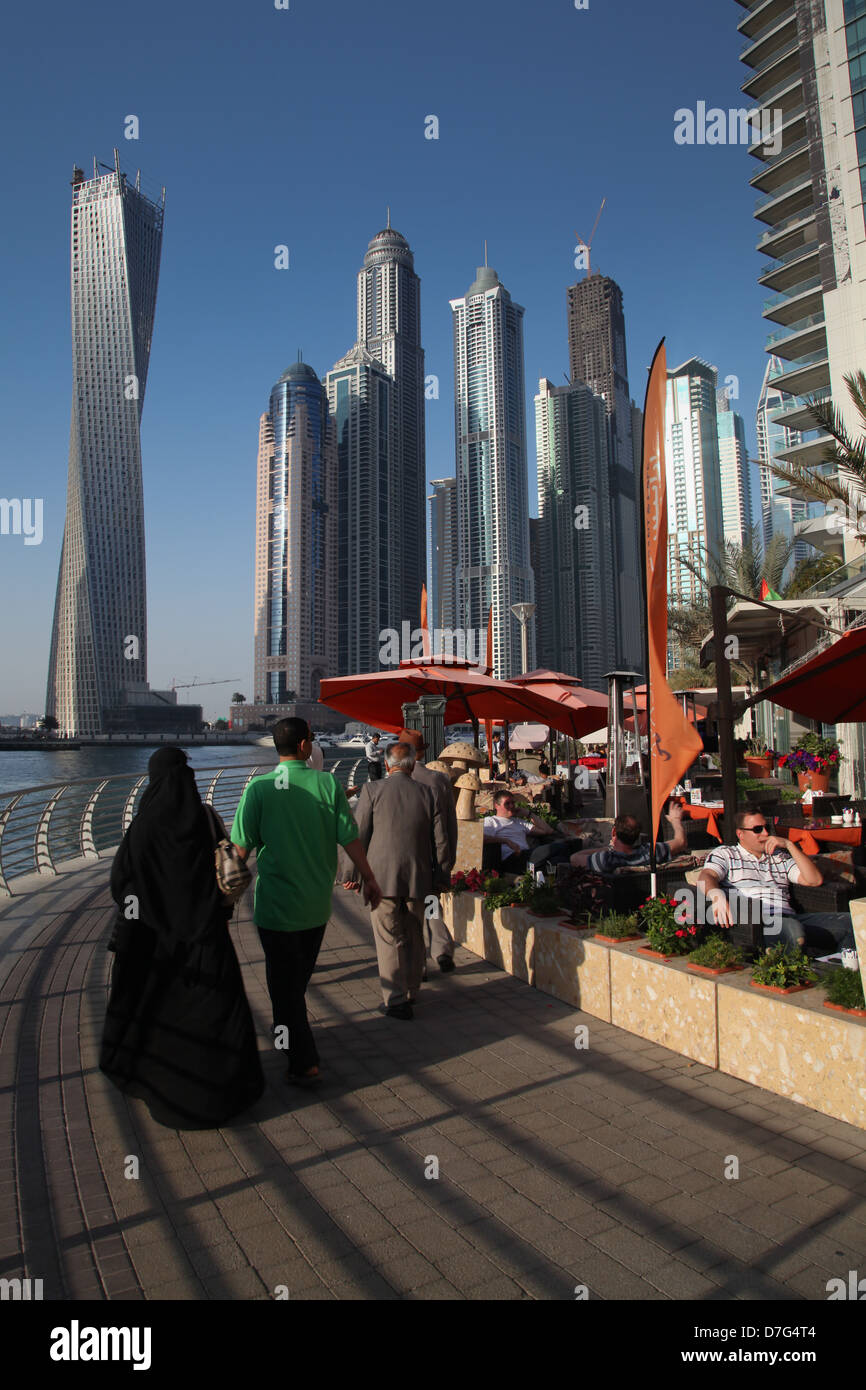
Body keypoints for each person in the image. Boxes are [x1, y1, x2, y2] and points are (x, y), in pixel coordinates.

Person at [100, 748, 265, 1127]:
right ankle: (222, 1092)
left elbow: (121, 884)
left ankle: (163, 1087)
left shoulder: (142, 828)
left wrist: (144, 915)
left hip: (154, 945)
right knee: (214, 1011)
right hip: (206, 937)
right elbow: (227, 869)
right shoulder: (205, 820)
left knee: (160, 1013)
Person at [231, 717, 381, 1085]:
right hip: (316, 906)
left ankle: (303, 1060)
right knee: (293, 983)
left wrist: (219, 894)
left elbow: (239, 850)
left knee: (284, 987)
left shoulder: (259, 790)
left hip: (274, 907)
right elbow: (350, 838)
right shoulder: (327, 783)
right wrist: (369, 877)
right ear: (304, 746)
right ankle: (296, 1045)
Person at [351, 742, 450, 1019]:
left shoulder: (372, 790)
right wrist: (441, 876)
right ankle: (412, 989)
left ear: (386, 765)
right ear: (411, 764)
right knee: (414, 931)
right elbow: (440, 841)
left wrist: (351, 874)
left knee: (388, 937)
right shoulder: (428, 793)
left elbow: (358, 834)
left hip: (380, 877)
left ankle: (395, 999)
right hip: (419, 876)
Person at [696, 810, 855, 952]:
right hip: (758, 924)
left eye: (767, 828)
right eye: (758, 829)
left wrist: (789, 845)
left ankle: (846, 975)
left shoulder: (779, 856)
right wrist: (717, 895)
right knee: (793, 931)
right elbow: (706, 876)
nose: (765, 833)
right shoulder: (726, 854)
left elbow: (814, 880)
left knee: (853, 923)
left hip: (790, 918)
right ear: (741, 834)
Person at [396, 728, 458, 973]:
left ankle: (418, 963)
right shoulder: (438, 780)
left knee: (410, 915)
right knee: (432, 903)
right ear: (423, 751)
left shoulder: (392, 781)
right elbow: (449, 825)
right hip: (432, 856)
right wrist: (448, 862)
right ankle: (442, 948)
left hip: (403, 858)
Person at [570, 803, 688, 873]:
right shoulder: (651, 852)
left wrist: (608, 848)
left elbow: (574, 858)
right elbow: (681, 841)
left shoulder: (606, 859)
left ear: (614, 832)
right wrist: (676, 820)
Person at [482, 789, 561, 873]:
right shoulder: (491, 821)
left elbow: (547, 831)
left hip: (527, 856)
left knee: (560, 860)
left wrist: (528, 814)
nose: (511, 806)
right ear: (496, 806)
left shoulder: (519, 822)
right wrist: (506, 841)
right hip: (511, 858)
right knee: (559, 847)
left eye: (513, 803)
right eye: (507, 803)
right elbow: (482, 839)